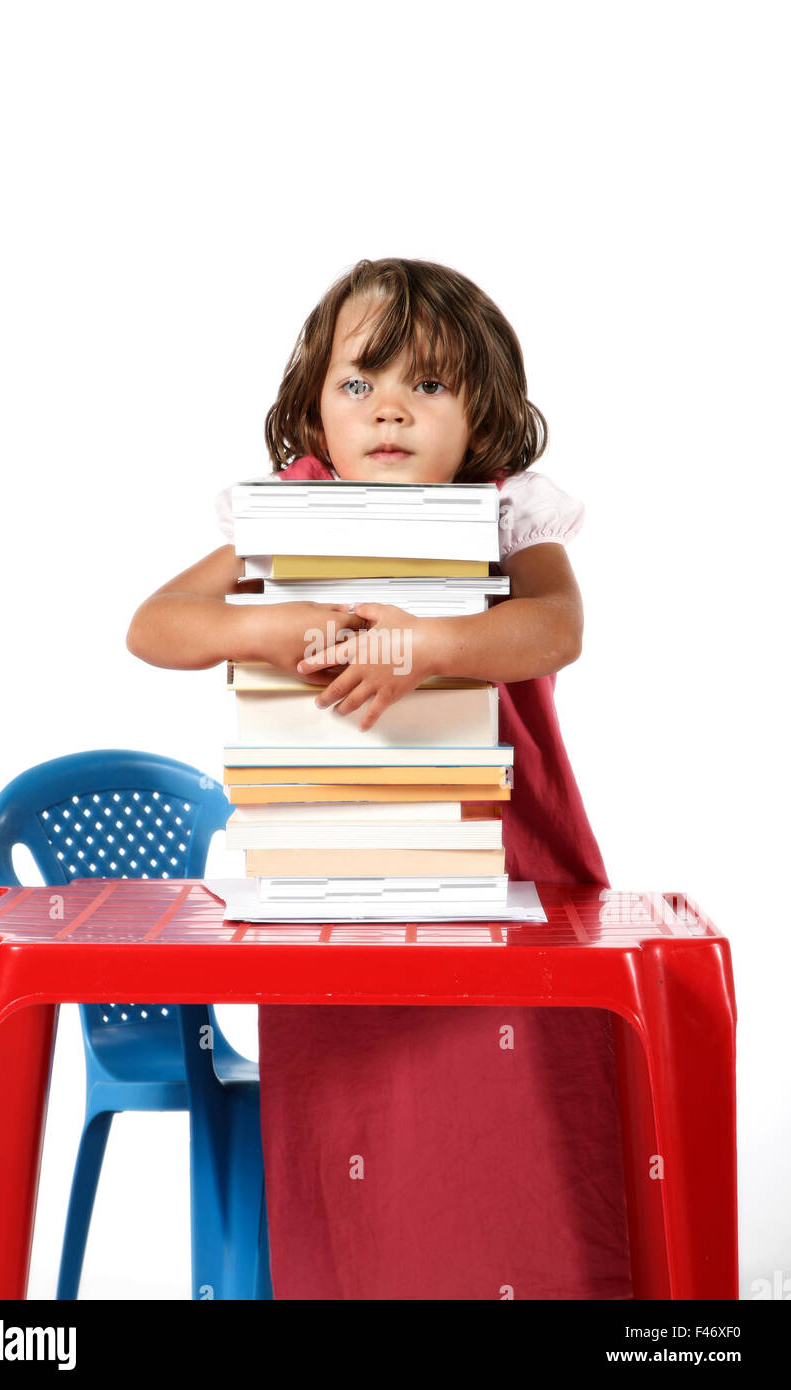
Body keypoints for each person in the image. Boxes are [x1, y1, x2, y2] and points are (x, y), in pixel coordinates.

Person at [126, 257, 633, 1300]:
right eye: (359, 383)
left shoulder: (500, 511)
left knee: (518, 1087)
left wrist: (433, 643)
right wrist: (267, 623)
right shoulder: (285, 514)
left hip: (503, 842)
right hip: (336, 857)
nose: (389, 408)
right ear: (314, 404)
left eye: (430, 385)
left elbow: (556, 628)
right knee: (360, 1085)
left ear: (481, 412)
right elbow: (155, 625)